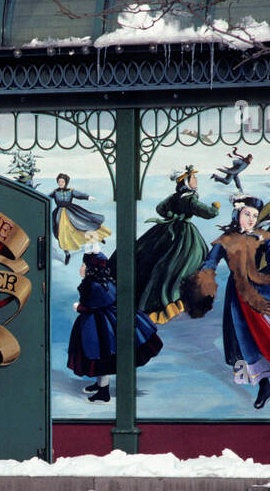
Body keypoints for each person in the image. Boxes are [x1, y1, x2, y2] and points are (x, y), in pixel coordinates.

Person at [181, 196, 270, 409]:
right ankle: (264, 385)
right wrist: (204, 284)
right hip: (238, 297)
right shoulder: (225, 240)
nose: (251, 219)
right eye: (247, 214)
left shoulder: (261, 236)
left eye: (255, 216)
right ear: (237, 214)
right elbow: (210, 262)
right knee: (246, 343)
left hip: (264, 286)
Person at [66, 235, 163, 403]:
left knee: (101, 357)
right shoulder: (102, 282)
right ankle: (99, 385)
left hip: (100, 326)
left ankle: (103, 392)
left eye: (83, 265)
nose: (80, 268)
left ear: (91, 269)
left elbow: (92, 305)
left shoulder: (95, 286)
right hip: (99, 321)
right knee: (99, 357)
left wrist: (78, 307)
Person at [126, 165, 220, 324]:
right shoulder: (190, 199)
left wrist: (172, 215)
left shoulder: (175, 197)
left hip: (168, 229)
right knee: (189, 260)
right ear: (186, 181)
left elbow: (160, 208)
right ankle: (180, 299)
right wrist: (215, 208)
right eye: (193, 178)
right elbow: (208, 213)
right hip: (184, 233)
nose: (196, 180)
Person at [50, 173, 110, 266]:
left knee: (83, 225)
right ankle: (67, 253)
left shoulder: (70, 191)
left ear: (66, 182)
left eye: (62, 181)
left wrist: (88, 197)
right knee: (61, 234)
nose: (60, 183)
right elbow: (45, 197)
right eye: (59, 181)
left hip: (71, 212)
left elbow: (79, 195)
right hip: (59, 215)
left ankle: (98, 237)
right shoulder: (55, 192)